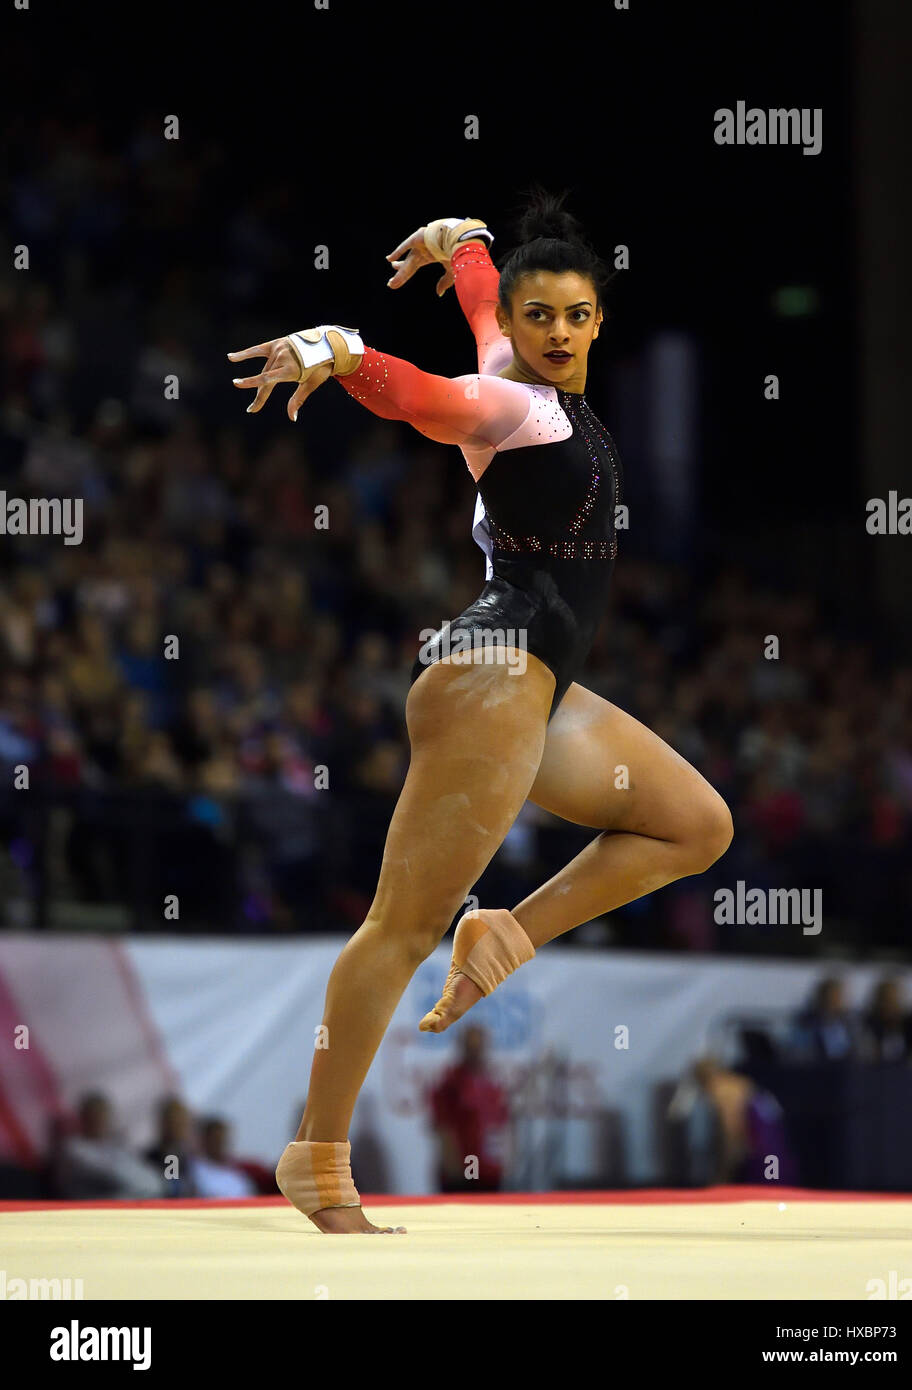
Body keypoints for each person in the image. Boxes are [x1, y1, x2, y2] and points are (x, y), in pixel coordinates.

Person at [228, 187, 733, 1233]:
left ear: (596, 320)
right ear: (524, 323)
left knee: (693, 824)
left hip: (535, 682)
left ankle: (503, 934)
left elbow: (477, 310)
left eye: (572, 315)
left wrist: (465, 243)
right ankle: (316, 1154)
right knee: (401, 924)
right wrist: (345, 356)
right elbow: (429, 399)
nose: (550, 331)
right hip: (493, 673)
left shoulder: (521, 366)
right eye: (535, 314)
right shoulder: (513, 405)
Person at [429, 1026, 509, 1193]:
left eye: (479, 1046)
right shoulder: (451, 1083)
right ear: (463, 1047)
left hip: (489, 1169)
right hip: (463, 1169)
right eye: (471, 1047)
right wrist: (453, 1167)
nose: (475, 1052)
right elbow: (442, 1126)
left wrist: (504, 1161)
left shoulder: (493, 1083)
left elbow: (502, 1124)